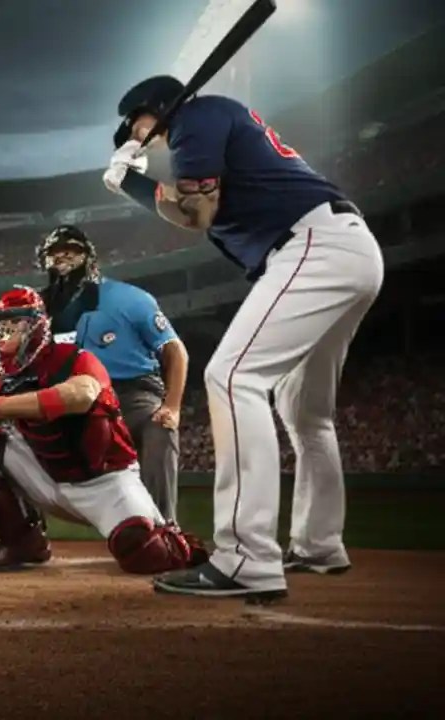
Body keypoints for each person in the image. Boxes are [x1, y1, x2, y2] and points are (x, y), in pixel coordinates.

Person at [104, 76, 384, 600]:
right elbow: (202, 207)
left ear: (156, 110)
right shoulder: (207, 121)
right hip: (345, 250)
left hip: (312, 247)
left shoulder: (195, 117)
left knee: (231, 376)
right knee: (306, 412)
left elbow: (197, 213)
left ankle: (246, 557)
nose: (137, 135)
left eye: (136, 123)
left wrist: (137, 186)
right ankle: (320, 544)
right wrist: (142, 184)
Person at [0, 286, 207, 575]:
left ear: (37, 326)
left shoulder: (74, 358)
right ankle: (23, 542)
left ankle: (177, 543)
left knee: (145, 553)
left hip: (104, 481)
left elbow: (80, 396)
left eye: (12, 324)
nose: (3, 334)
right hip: (43, 472)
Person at [35, 224, 188, 522]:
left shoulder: (130, 298)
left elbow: (175, 350)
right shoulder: (39, 308)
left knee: (160, 429)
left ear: (90, 257)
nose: (63, 256)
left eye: (72, 250)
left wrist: (172, 406)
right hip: (72, 397)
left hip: (132, 392)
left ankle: (163, 529)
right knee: (8, 434)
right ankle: (25, 536)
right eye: (54, 252)